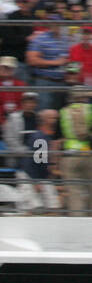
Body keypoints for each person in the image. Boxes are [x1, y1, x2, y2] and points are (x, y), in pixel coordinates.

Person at [59, 87, 92, 215]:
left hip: (69, 154)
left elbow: (59, 133)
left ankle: (77, 221)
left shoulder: (63, 112)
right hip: (87, 152)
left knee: (74, 191)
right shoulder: (89, 109)